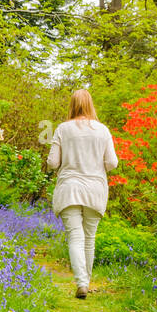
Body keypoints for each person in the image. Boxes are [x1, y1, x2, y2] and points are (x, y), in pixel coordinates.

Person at [47, 89, 119, 298]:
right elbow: (112, 163)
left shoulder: (63, 129)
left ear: (72, 105)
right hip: (95, 189)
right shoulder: (102, 130)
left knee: (75, 238)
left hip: (69, 188)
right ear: (90, 105)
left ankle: (82, 283)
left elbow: (52, 163)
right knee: (90, 238)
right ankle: (85, 283)